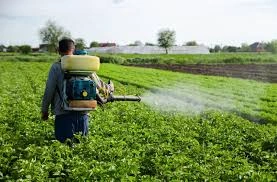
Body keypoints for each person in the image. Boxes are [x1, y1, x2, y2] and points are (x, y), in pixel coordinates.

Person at [41, 38, 113, 143]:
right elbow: (98, 85)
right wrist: (108, 90)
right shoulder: (85, 64)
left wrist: (44, 111)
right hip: (83, 114)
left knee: (63, 149)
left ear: (58, 50)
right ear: (73, 49)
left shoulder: (56, 67)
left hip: (63, 115)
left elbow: (49, 90)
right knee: (81, 149)